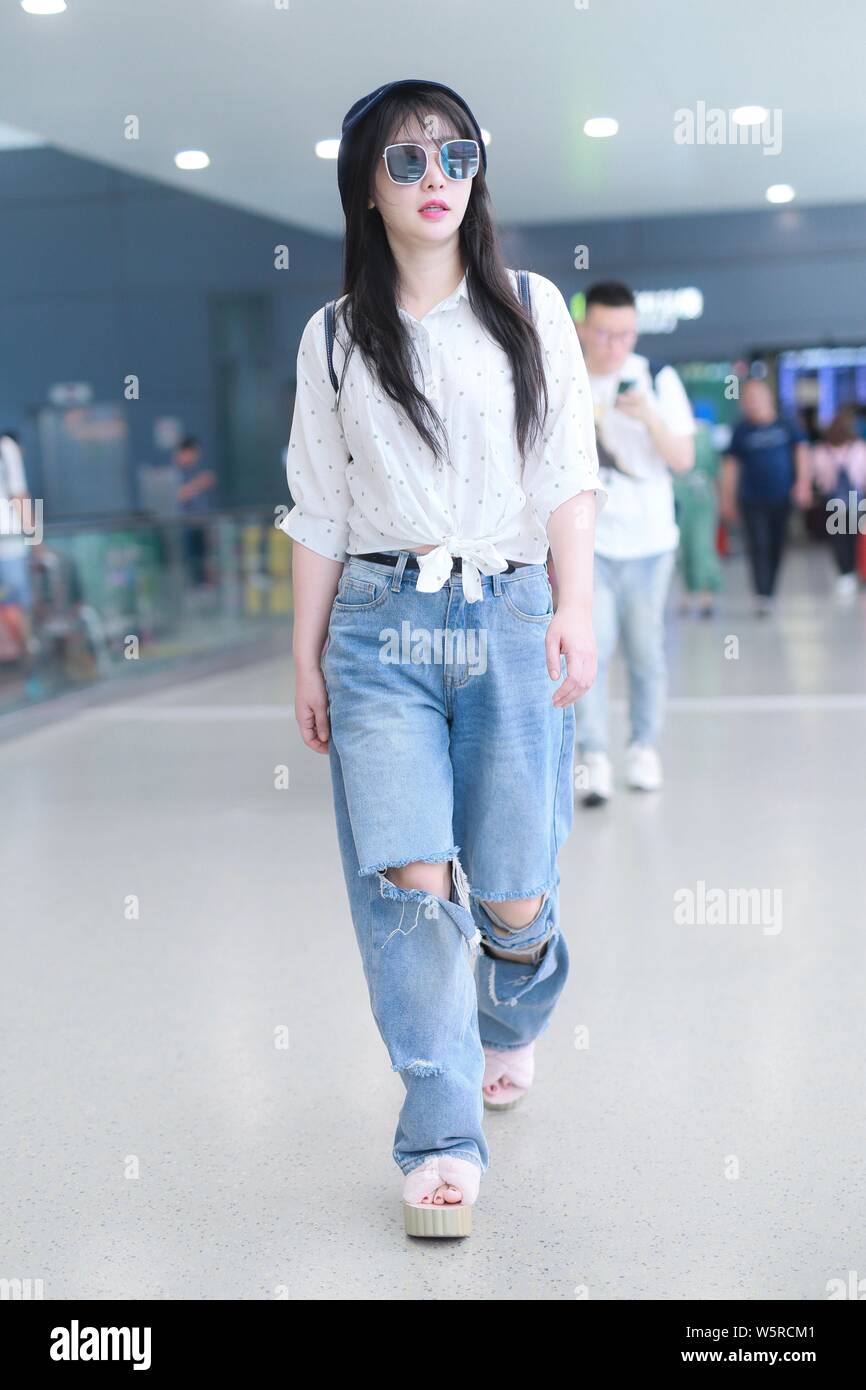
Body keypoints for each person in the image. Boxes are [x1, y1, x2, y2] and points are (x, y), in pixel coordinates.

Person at [278, 79, 605, 1237]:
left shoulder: (530, 308)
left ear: (477, 171)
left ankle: (510, 1013)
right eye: (405, 162)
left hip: (509, 614)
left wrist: (574, 603)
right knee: (409, 889)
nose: (434, 181)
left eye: (453, 155)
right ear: (365, 189)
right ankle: (439, 1136)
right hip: (379, 631)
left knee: (512, 893)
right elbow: (318, 507)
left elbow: (566, 464)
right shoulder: (332, 337)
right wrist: (308, 659)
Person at [572, 281, 695, 806]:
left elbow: (683, 459)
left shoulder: (658, 378)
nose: (615, 345)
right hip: (588, 544)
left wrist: (648, 417)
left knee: (646, 651)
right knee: (588, 650)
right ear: (583, 328)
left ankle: (644, 747)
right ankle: (593, 756)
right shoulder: (564, 377)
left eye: (625, 334)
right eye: (604, 333)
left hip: (649, 543)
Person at [720, 379, 812, 616]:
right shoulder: (741, 430)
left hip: (782, 497)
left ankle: (770, 589)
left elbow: (801, 453)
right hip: (751, 499)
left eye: (757, 397)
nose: (753, 402)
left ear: (768, 397)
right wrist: (727, 498)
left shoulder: (786, 425)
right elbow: (731, 467)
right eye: (748, 398)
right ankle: (762, 595)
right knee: (758, 544)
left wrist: (803, 484)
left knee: (776, 545)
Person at [673, 404, 723, 618]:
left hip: (703, 498)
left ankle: (706, 594)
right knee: (683, 547)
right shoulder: (672, 432)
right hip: (679, 498)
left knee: (702, 545)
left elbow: (716, 471)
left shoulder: (706, 436)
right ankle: (687, 592)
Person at [812, 406, 866, 600]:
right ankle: (854, 571)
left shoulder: (821, 450)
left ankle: (845, 574)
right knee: (853, 539)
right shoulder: (859, 448)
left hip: (833, 503)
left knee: (838, 540)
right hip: (856, 502)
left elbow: (819, 480)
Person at [0, 430, 37, 663]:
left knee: (12, 605)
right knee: (14, 605)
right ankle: (30, 663)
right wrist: (36, 540)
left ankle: (27, 663)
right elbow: (20, 495)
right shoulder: (7, 448)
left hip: (8, 541)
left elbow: (19, 495)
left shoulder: (6, 448)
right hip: (9, 541)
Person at [173, 436, 216, 588]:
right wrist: (200, 483)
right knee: (191, 564)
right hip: (185, 528)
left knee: (204, 562)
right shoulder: (174, 473)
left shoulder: (194, 471)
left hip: (201, 525)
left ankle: (203, 588)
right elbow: (180, 495)